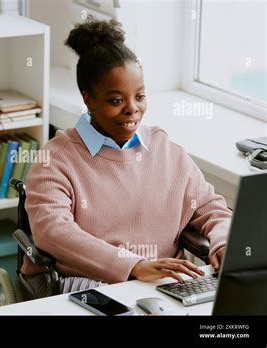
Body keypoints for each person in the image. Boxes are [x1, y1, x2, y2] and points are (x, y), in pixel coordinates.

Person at [22, 18, 232, 296]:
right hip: (84, 282)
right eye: (116, 100)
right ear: (88, 99)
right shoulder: (57, 159)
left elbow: (212, 209)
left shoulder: (164, 149)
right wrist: (133, 265)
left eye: (140, 96)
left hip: (162, 284)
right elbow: (53, 231)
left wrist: (223, 243)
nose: (132, 109)